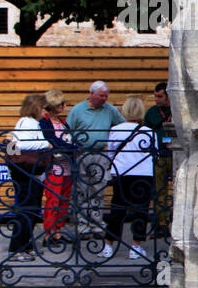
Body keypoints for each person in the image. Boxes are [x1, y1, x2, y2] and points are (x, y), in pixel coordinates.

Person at [66, 80, 126, 241]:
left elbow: (123, 125)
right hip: (82, 154)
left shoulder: (109, 110)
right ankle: (83, 225)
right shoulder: (78, 110)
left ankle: (97, 223)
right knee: (82, 189)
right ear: (91, 93)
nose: (104, 99)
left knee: (98, 189)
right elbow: (67, 131)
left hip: (100, 154)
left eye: (106, 96)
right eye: (101, 96)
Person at [105, 97, 157, 260]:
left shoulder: (116, 129)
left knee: (117, 210)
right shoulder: (149, 132)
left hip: (122, 173)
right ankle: (135, 246)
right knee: (140, 211)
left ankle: (108, 245)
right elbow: (153, 153)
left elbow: (111, 151)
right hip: (143, 174)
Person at [3, 94, 51, 261]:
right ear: (37, 108)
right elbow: (21, 145)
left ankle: (26, 245)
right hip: (25, 172)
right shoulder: (28, 122)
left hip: (28, 172)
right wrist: (46, 144)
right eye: (44, 108)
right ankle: (16, 248)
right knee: (27, 209)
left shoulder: (30, 122)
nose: (46, 111)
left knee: (31, 209)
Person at [38, 90, 76, 242]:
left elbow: (69, 139)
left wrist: (74, 146)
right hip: (54, 166)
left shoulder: (62, 122)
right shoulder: (45, 122)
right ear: (54, 106)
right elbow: (52, 140)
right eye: (61, 104)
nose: (64, 106)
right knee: (53, 199)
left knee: (64, 200)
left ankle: (58, 230)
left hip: (66, 165)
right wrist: (71, 148)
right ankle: (49, 232)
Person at [143, 82, 173, 241]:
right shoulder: (152, 113)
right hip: (159, 155)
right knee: (159, 190)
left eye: (159, 96)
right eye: (155, 96)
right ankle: (161, 224)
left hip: (176, 154)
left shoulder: (177, 110)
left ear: (168, 96)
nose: (156, 99)